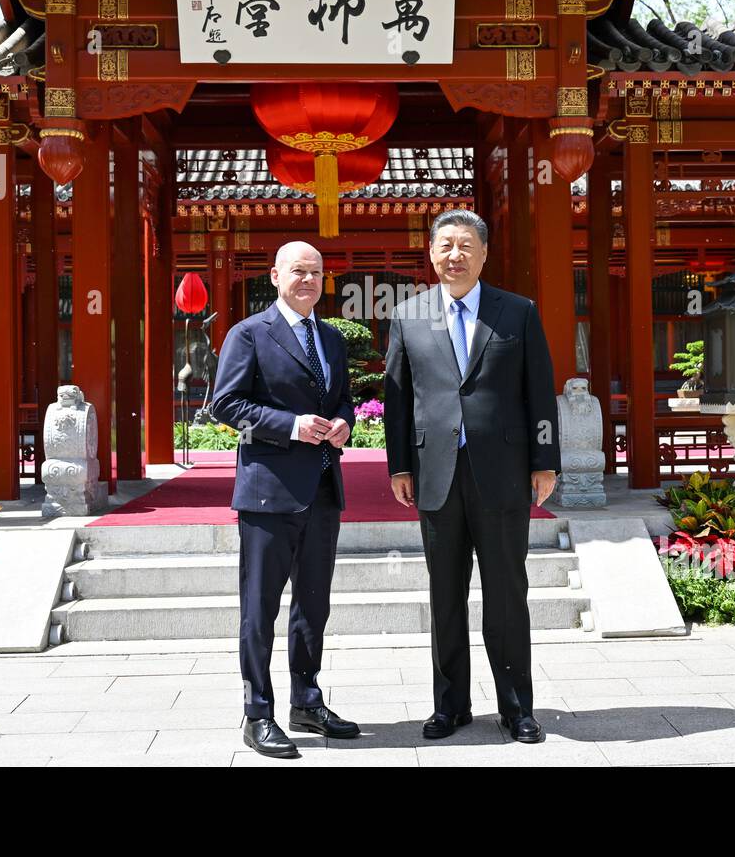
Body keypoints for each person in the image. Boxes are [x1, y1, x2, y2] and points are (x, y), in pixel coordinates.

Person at [384, 209, 559, 744]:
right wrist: (399, 465)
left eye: (465, 246)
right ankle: (450, 705)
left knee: (507, 592)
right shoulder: (408, 316)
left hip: (502, 471)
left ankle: (516, 707)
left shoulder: (517, 312)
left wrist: (544, 459)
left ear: (484, 254)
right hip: (435, 473)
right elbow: (396, 399)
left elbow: (539, 388)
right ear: (431, 253)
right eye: (445, 246)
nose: (454, 255)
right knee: (445, 595)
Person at [210, 240, 360, 758]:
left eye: (316, 273)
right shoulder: (249, 334)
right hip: (268, 491)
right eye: (298, 271)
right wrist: (290, 426)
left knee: (312, 605)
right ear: (275, 275)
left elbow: (342, 397)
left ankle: (307, 699)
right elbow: (224, 404)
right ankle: (258, 712)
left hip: (322, 489)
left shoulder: (332, 338)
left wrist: (345, 421)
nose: (308, 280)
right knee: (260, 609)